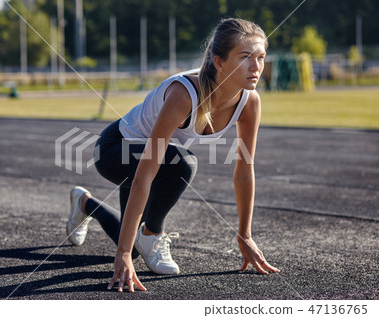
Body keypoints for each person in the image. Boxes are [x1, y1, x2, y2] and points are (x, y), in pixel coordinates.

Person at [66, 17, 280, 293]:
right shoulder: (184, 95)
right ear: (219, 61)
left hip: (153, 159)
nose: (256, 67)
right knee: (183, 163)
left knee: (131, 250)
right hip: (115, 149)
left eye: (261, 57)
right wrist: (119, 256)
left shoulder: (249, 102)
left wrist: (245, 235)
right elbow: (145, 175)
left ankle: (84, 203)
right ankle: (153, 234)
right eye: (245, 57)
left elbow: (244, 169)